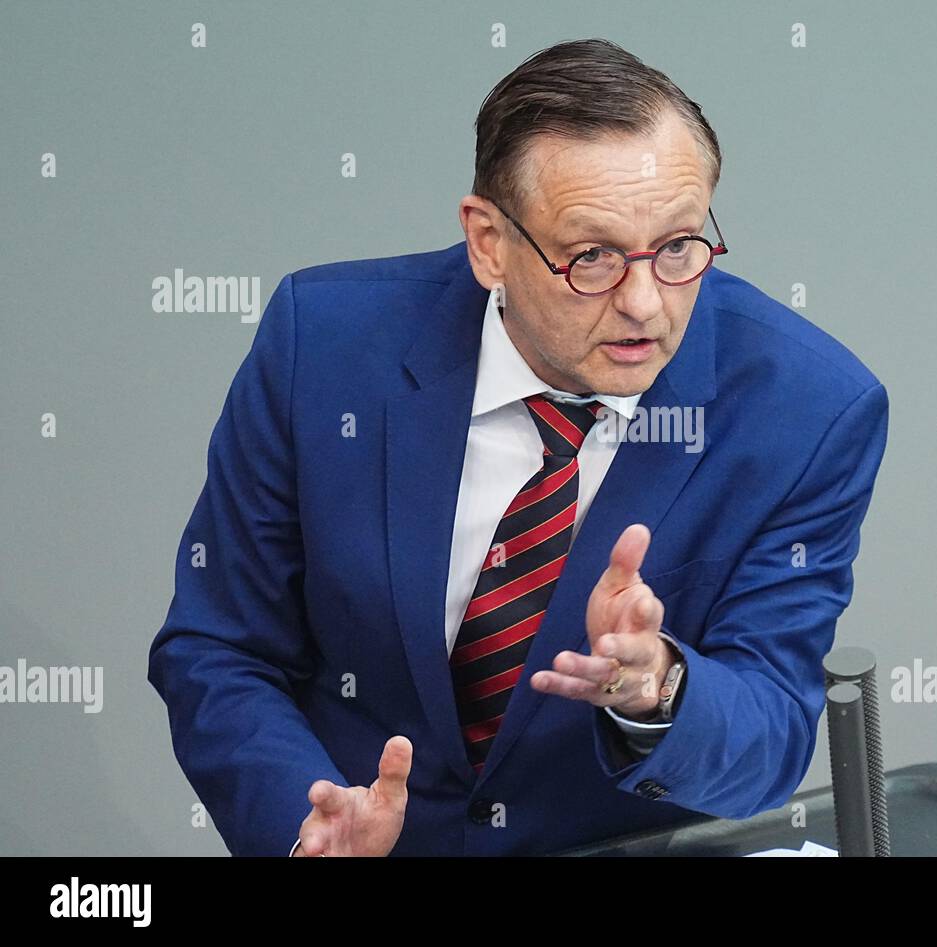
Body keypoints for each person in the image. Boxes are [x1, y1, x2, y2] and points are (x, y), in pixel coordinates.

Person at [147, 37, 889, 856]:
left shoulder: (807, 409)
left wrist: (659, 687)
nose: (645, 304)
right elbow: (218, 647)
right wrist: (304, 821)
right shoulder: (321, 348)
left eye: (679, 246)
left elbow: (771, 741)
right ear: (489, 242)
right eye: (594, 257)